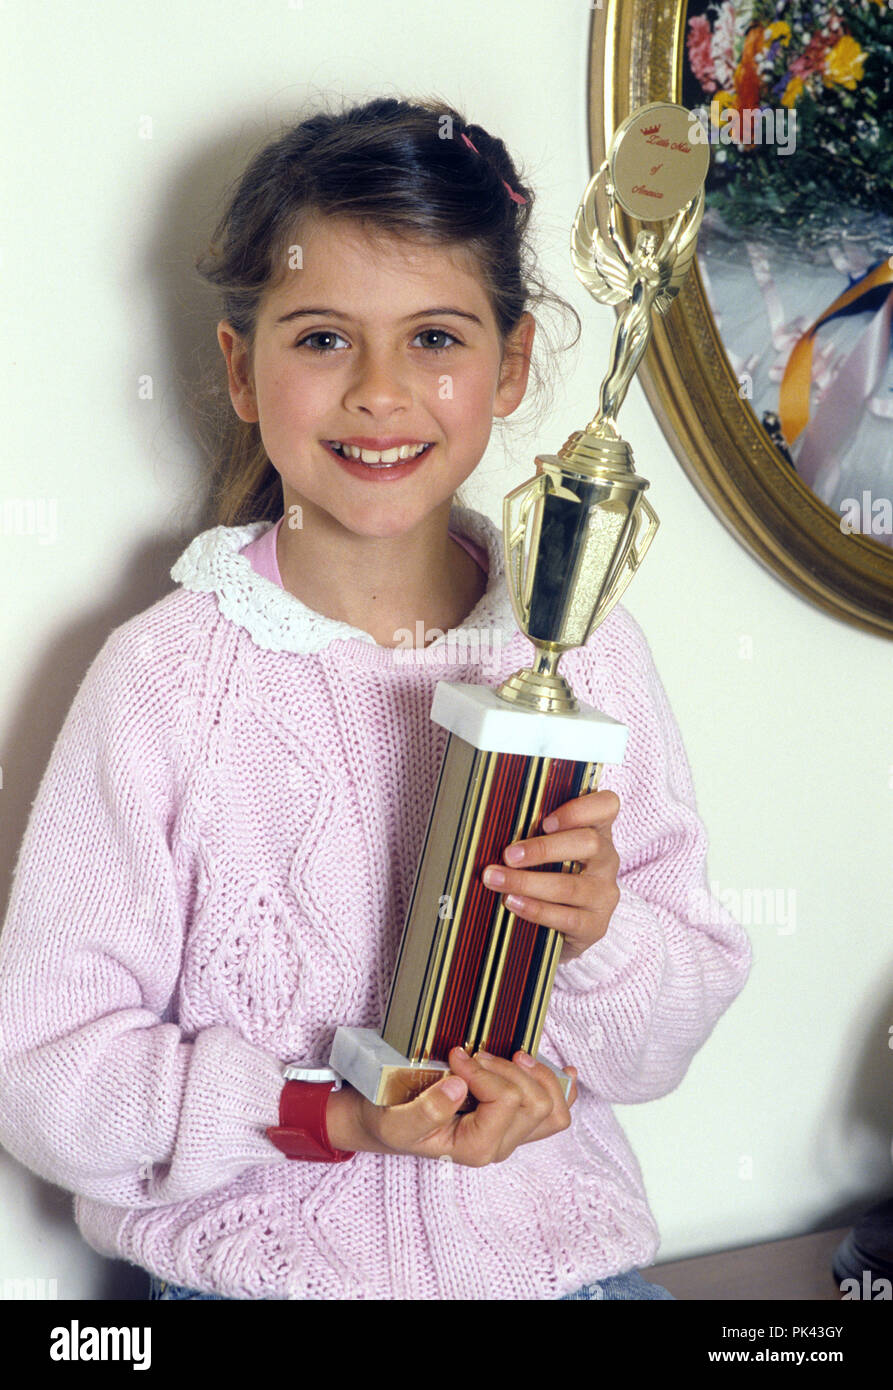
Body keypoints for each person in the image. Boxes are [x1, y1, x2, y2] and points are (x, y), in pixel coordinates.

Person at [0, 95, 751, 1301]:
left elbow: (659, 1046)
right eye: (322, 338)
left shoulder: (586, 643)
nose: (381, 393)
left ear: (510, 366)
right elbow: (43, 1075)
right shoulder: (163, 682)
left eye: (437, 339)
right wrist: (329, 1118)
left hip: (563, 1279)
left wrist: (597, 939)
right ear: (242, 369)